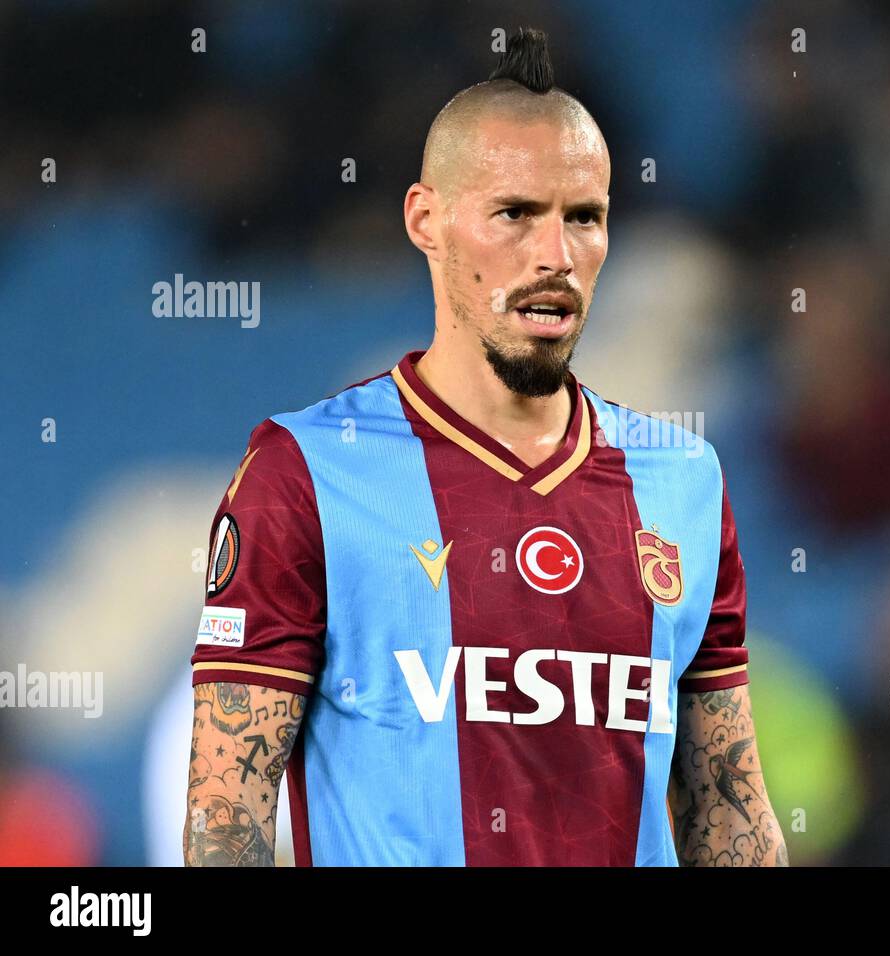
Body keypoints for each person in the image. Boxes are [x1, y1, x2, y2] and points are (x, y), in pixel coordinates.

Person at [184, 27, 785, 866]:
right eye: (516, 214)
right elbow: (226, 820)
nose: (556, 256)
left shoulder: (681, 481)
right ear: (426, 220)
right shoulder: (305, 473)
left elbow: (730, 805)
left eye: (585, 218)